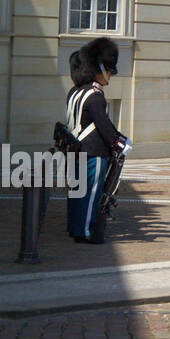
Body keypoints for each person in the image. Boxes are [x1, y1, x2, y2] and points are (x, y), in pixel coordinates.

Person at [65, 37, 125, 244]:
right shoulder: (96, 96)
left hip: (76, 149)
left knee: (76, 192)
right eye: (108, 70)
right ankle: (86, 231)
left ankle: (75, 228)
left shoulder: (75, 92)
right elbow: (103, 125)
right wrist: (118, 143)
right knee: (90, 194)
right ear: (99, 68)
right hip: (93, 151)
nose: (110, 75)